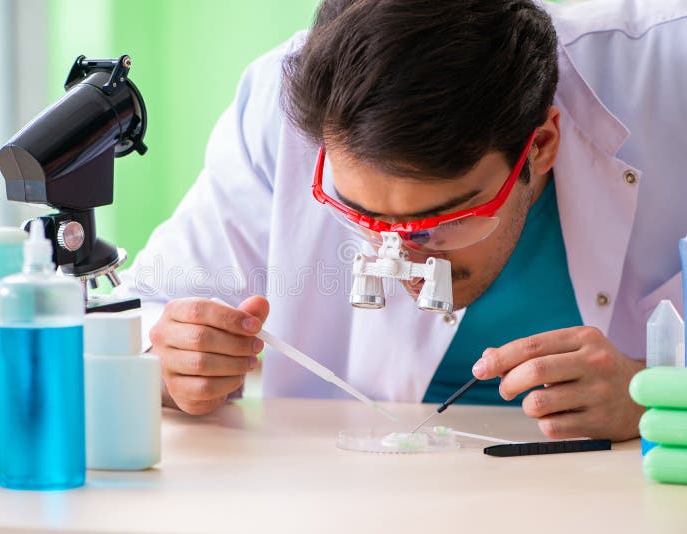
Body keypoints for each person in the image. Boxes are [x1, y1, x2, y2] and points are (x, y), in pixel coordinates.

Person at [115, 0, 687, 441]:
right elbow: (146, 316)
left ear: (539, 145)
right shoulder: (287, 102)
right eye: (364, 214)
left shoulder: (668, 71)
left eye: (442, 217)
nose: (401, 256)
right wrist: (171, 363)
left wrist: (654, 397)